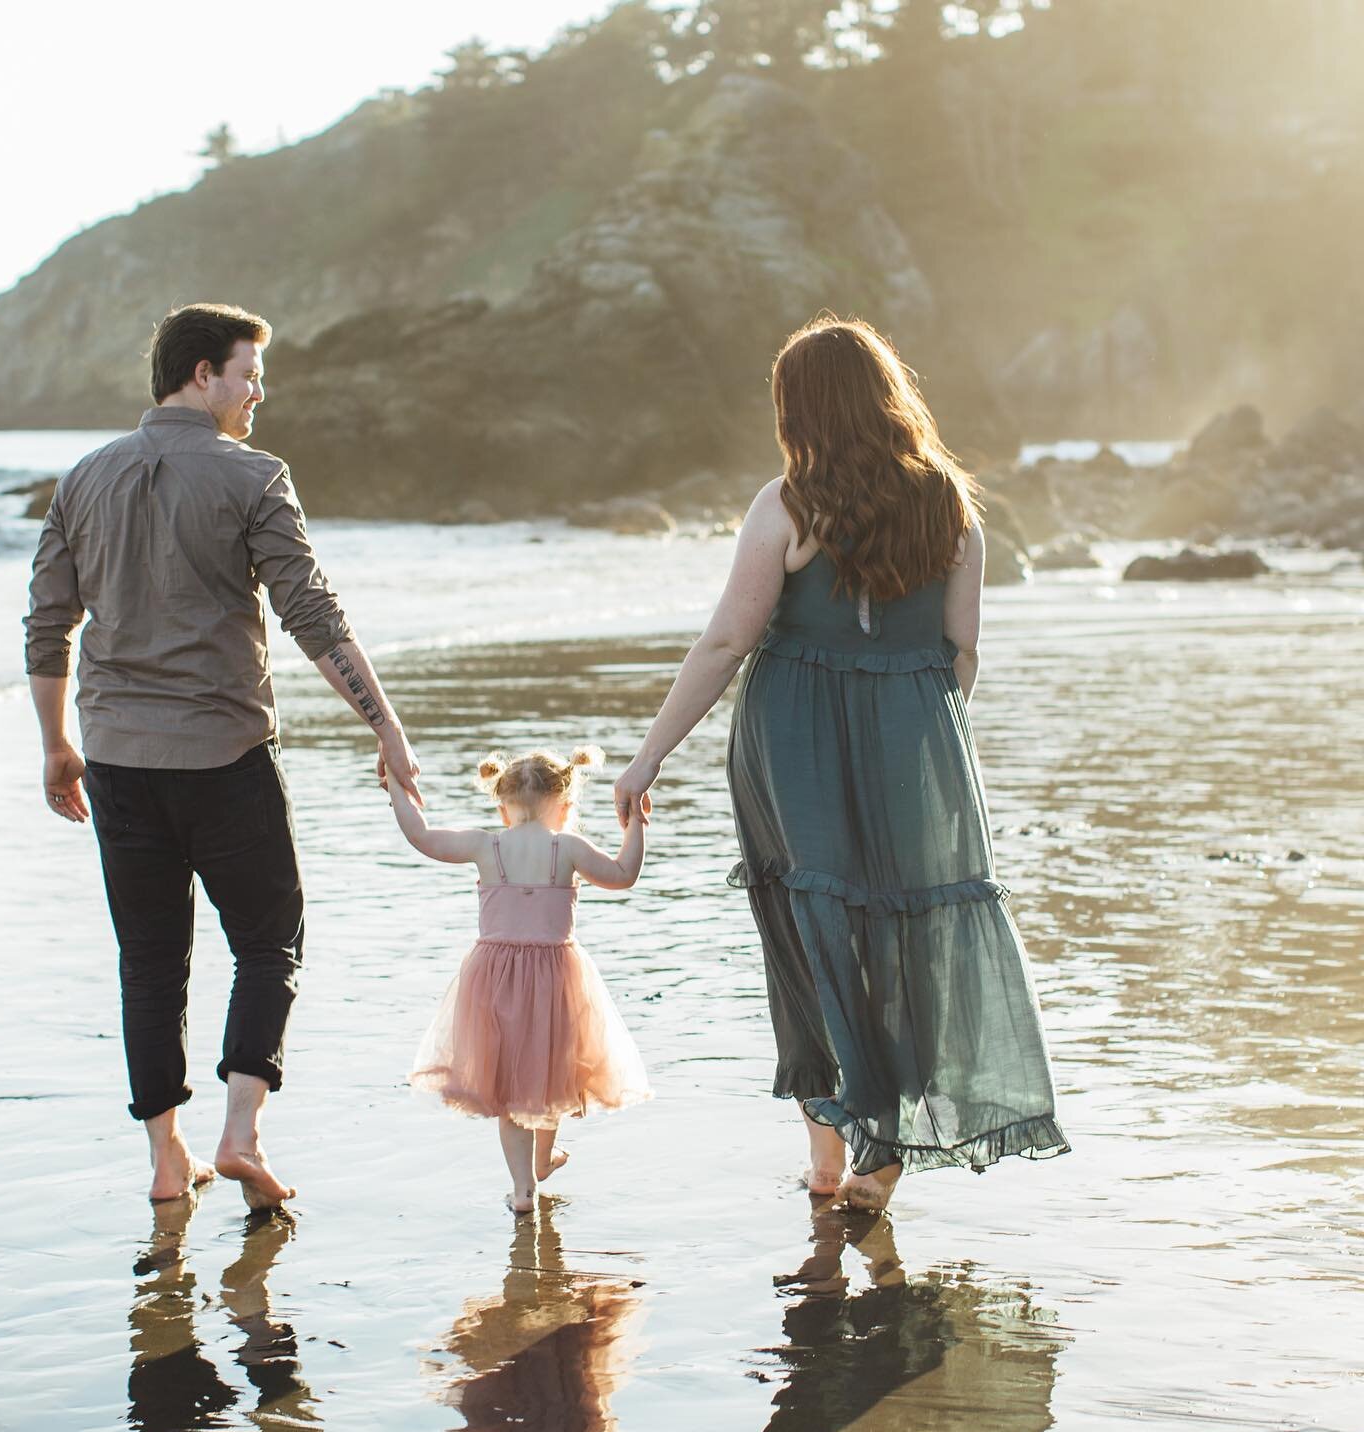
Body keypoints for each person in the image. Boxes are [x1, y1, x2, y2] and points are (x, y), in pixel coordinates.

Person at [614, 316, 1068, 1211]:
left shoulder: (787, 504)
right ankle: (878, 1146)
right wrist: (915, 742)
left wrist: (646, 759)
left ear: (800, 408)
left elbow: (725, 643)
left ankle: (833, 1153)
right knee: (908, 932)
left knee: (809, 930)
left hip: (794, 743)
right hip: (916, 732)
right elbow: (962, 652)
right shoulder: (953, 507)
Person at [24, 302, 422, 1210]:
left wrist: (56, 746)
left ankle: (167, 1158)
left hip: (118, 762)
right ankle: (239, 1134)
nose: (257, 392)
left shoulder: (82, 480)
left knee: (150, 961)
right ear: (201, 373)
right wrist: (384, 725)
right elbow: (311, 615)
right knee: (269, 938)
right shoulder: (255, 477)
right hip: (226, 758)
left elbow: (49, 627)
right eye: (248, 373)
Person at [387, 746, 650, 1213]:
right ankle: (544, 1159)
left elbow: (422, 836)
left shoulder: (486, 845)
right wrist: (635, 827)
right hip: (557, 977)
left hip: (495, 980)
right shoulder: (567, 847)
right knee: (552, 1074)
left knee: (510, 1090)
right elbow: (623, 874)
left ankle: (525, 1187)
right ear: (565, 805)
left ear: (502, 805)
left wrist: (397, 786)